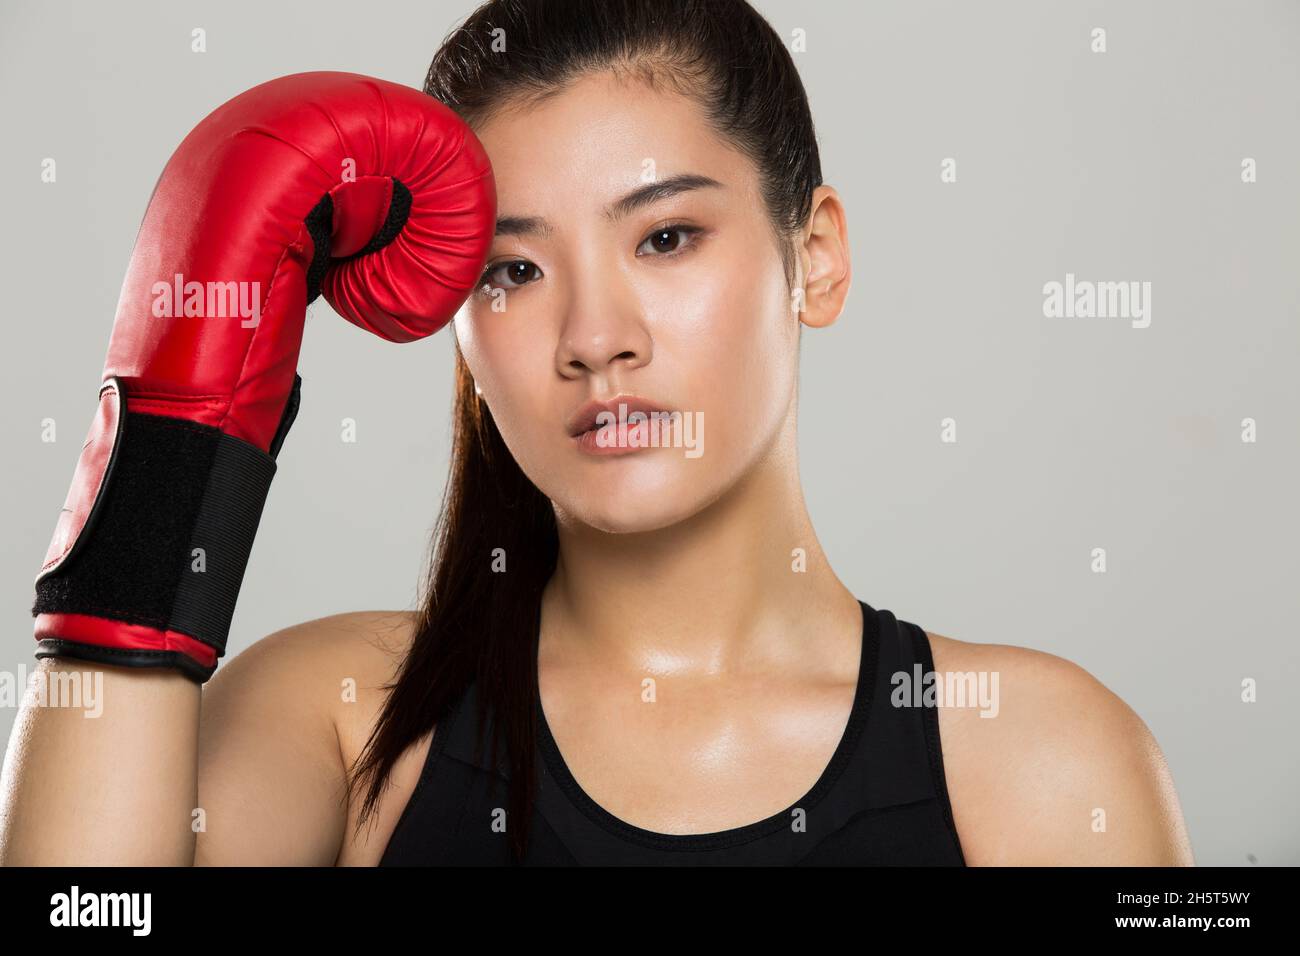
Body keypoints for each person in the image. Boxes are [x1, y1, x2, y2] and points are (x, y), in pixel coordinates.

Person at [0, 0, 1194, 867]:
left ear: (813, 255)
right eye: (513, 267)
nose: (593, 335)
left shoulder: (1040, 759)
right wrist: (175, 402)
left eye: (665, 237)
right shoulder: (340, 718)